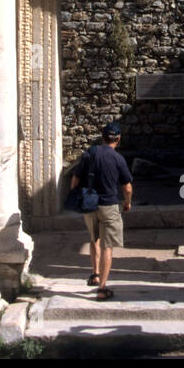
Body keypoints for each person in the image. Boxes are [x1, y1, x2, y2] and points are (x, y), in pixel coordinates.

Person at [69, 121, 132, 300]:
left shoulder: (90, 153)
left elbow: (75, 178)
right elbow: (127, 187)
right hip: (109, 205)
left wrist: (74, 197)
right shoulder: (118, 158)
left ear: (102, 137)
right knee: (108, 246)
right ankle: (102, 288)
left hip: (90, 204)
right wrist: (127, 202)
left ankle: (95, 274)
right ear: (118, 139)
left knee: (93, 238)